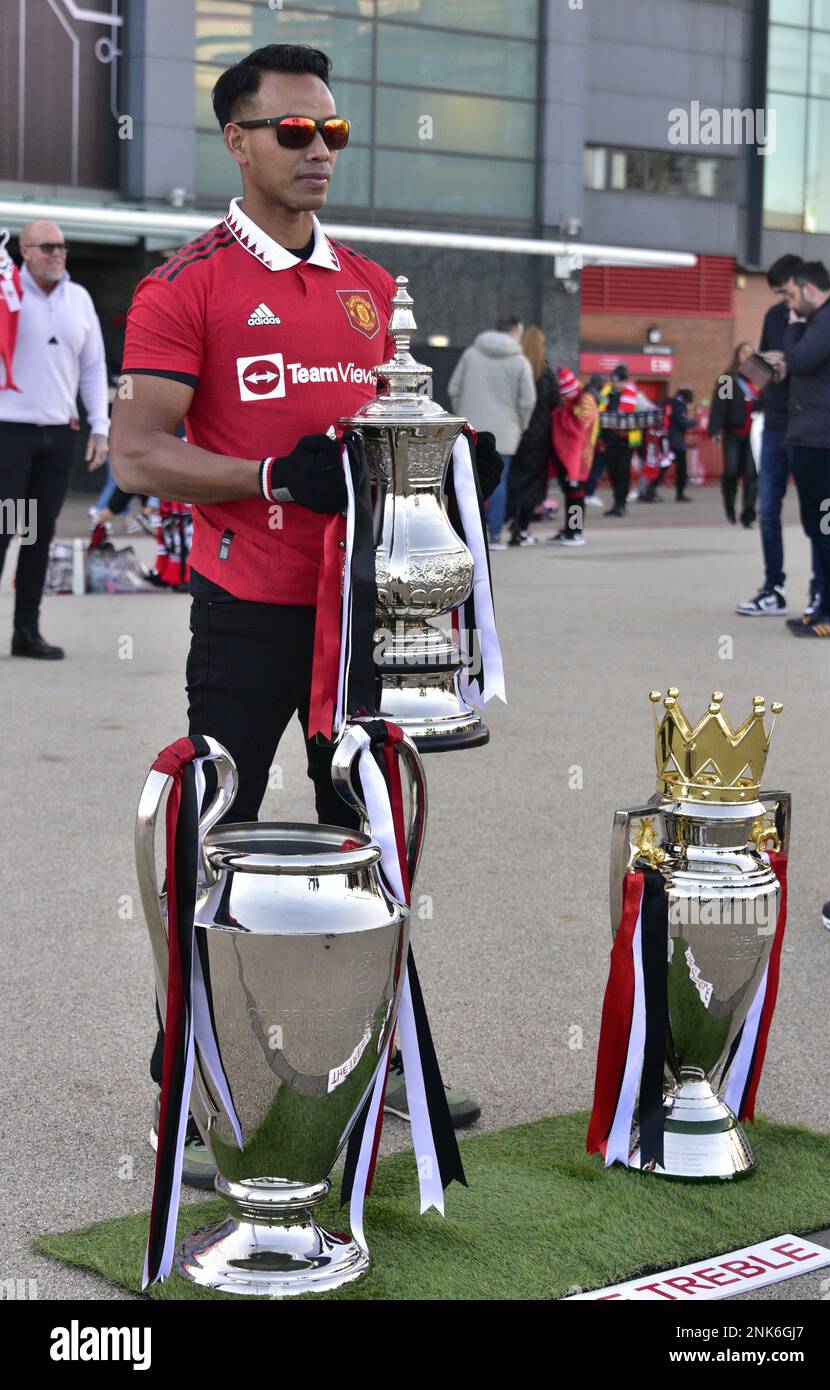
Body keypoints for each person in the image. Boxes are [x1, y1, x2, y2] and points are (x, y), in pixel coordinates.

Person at [111, 43, 491, 1184]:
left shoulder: (375, 289)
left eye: (331, 131)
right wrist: (273, 476)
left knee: (373, 841)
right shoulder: (184, 285)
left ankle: (391, 1069)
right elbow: (137, 457)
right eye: (294, 132)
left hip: (364, 623)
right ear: (237, 140)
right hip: (247, 610)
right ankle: (196, 1083)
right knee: (212, 842)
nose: (319, 149)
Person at [0, 220, 109, 658]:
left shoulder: (78, 299)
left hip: (59, 434)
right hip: (10, 431)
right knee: (5, 531)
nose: (57, 253)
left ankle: (26, 631)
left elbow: (94, 366)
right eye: (47, 247)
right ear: (24, 251)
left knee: (38, 535)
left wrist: (100, 425)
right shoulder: (7, 293)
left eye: (62, 246)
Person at [763, 261, 830, 639]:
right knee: (827, 529)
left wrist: (795, 327)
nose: (788, 305)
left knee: (829, 530)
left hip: (824, 441)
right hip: (819, 439)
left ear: (809, 289)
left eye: (790, 295)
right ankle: (829, 608)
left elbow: (801, 359)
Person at [736, 254, 805, 618]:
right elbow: (758, 372)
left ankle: (824, 590)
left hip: (811, 427)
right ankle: (773, 587)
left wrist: (789, 366)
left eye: (786, 292)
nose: (784, 300)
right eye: (778, 294)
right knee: (767, 509)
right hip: (776, 422)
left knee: (823, 514)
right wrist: (761, 367)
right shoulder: (773, 316)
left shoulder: (828, 318)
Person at [449, 314, 536, 550]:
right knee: (499, 482)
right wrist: (520, 425)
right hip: (506, 431)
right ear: (516, 330)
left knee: (465, 481)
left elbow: (453, 388)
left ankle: (465, 533)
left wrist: (464, 415)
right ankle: (495, 534)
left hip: (470, 430)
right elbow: (527, 401)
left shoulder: (471, 354)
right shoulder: (520, 361)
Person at [506, 326, 559, 546]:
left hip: (516, 431)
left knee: (513, 479)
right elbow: (555, 400)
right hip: (540, 436)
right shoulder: (546, 372)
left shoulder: (515, 366)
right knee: (534, 483)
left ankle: (508, 521)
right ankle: (522, 528)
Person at [548, 370, 603, 546]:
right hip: (572, 457)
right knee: (570, 493)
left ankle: (576, 532)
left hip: (578, 459)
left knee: (576, 493)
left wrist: (562, 414)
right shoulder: (577, 399)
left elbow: (579, 427)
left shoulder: (584, 400)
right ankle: (570, 529)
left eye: (565, 396)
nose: (563, 400)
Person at [708, 342, 759, 529]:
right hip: (733, 434)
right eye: (744, 352)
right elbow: (719, 406)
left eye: (751, 353)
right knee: (731, 472)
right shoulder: (728, 379)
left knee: (751, 475)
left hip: (754, 435)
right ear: (737, 356)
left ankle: (748, 514)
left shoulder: (760, 379)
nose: (748, 355)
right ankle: (729, 505)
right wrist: (714, 429)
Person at [598, 364, 641, 517]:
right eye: (614, 381)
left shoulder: (635, 394)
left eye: (619, 381)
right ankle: (617, 502)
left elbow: (645, 412)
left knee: (622, 472)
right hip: (610, 440)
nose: (616, 384)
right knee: (612, 473)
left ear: (625, 381)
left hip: (626, 440)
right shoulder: (608, 395)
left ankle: (620, 504)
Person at [663, 387, 696, 502]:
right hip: (676, 441)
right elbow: (681, 422)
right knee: (681, 468)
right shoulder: (679, 405)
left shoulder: (671, 402)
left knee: (664, 464)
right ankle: (680, 494)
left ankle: (650, 489)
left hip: (667, 439)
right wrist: (695, 422)